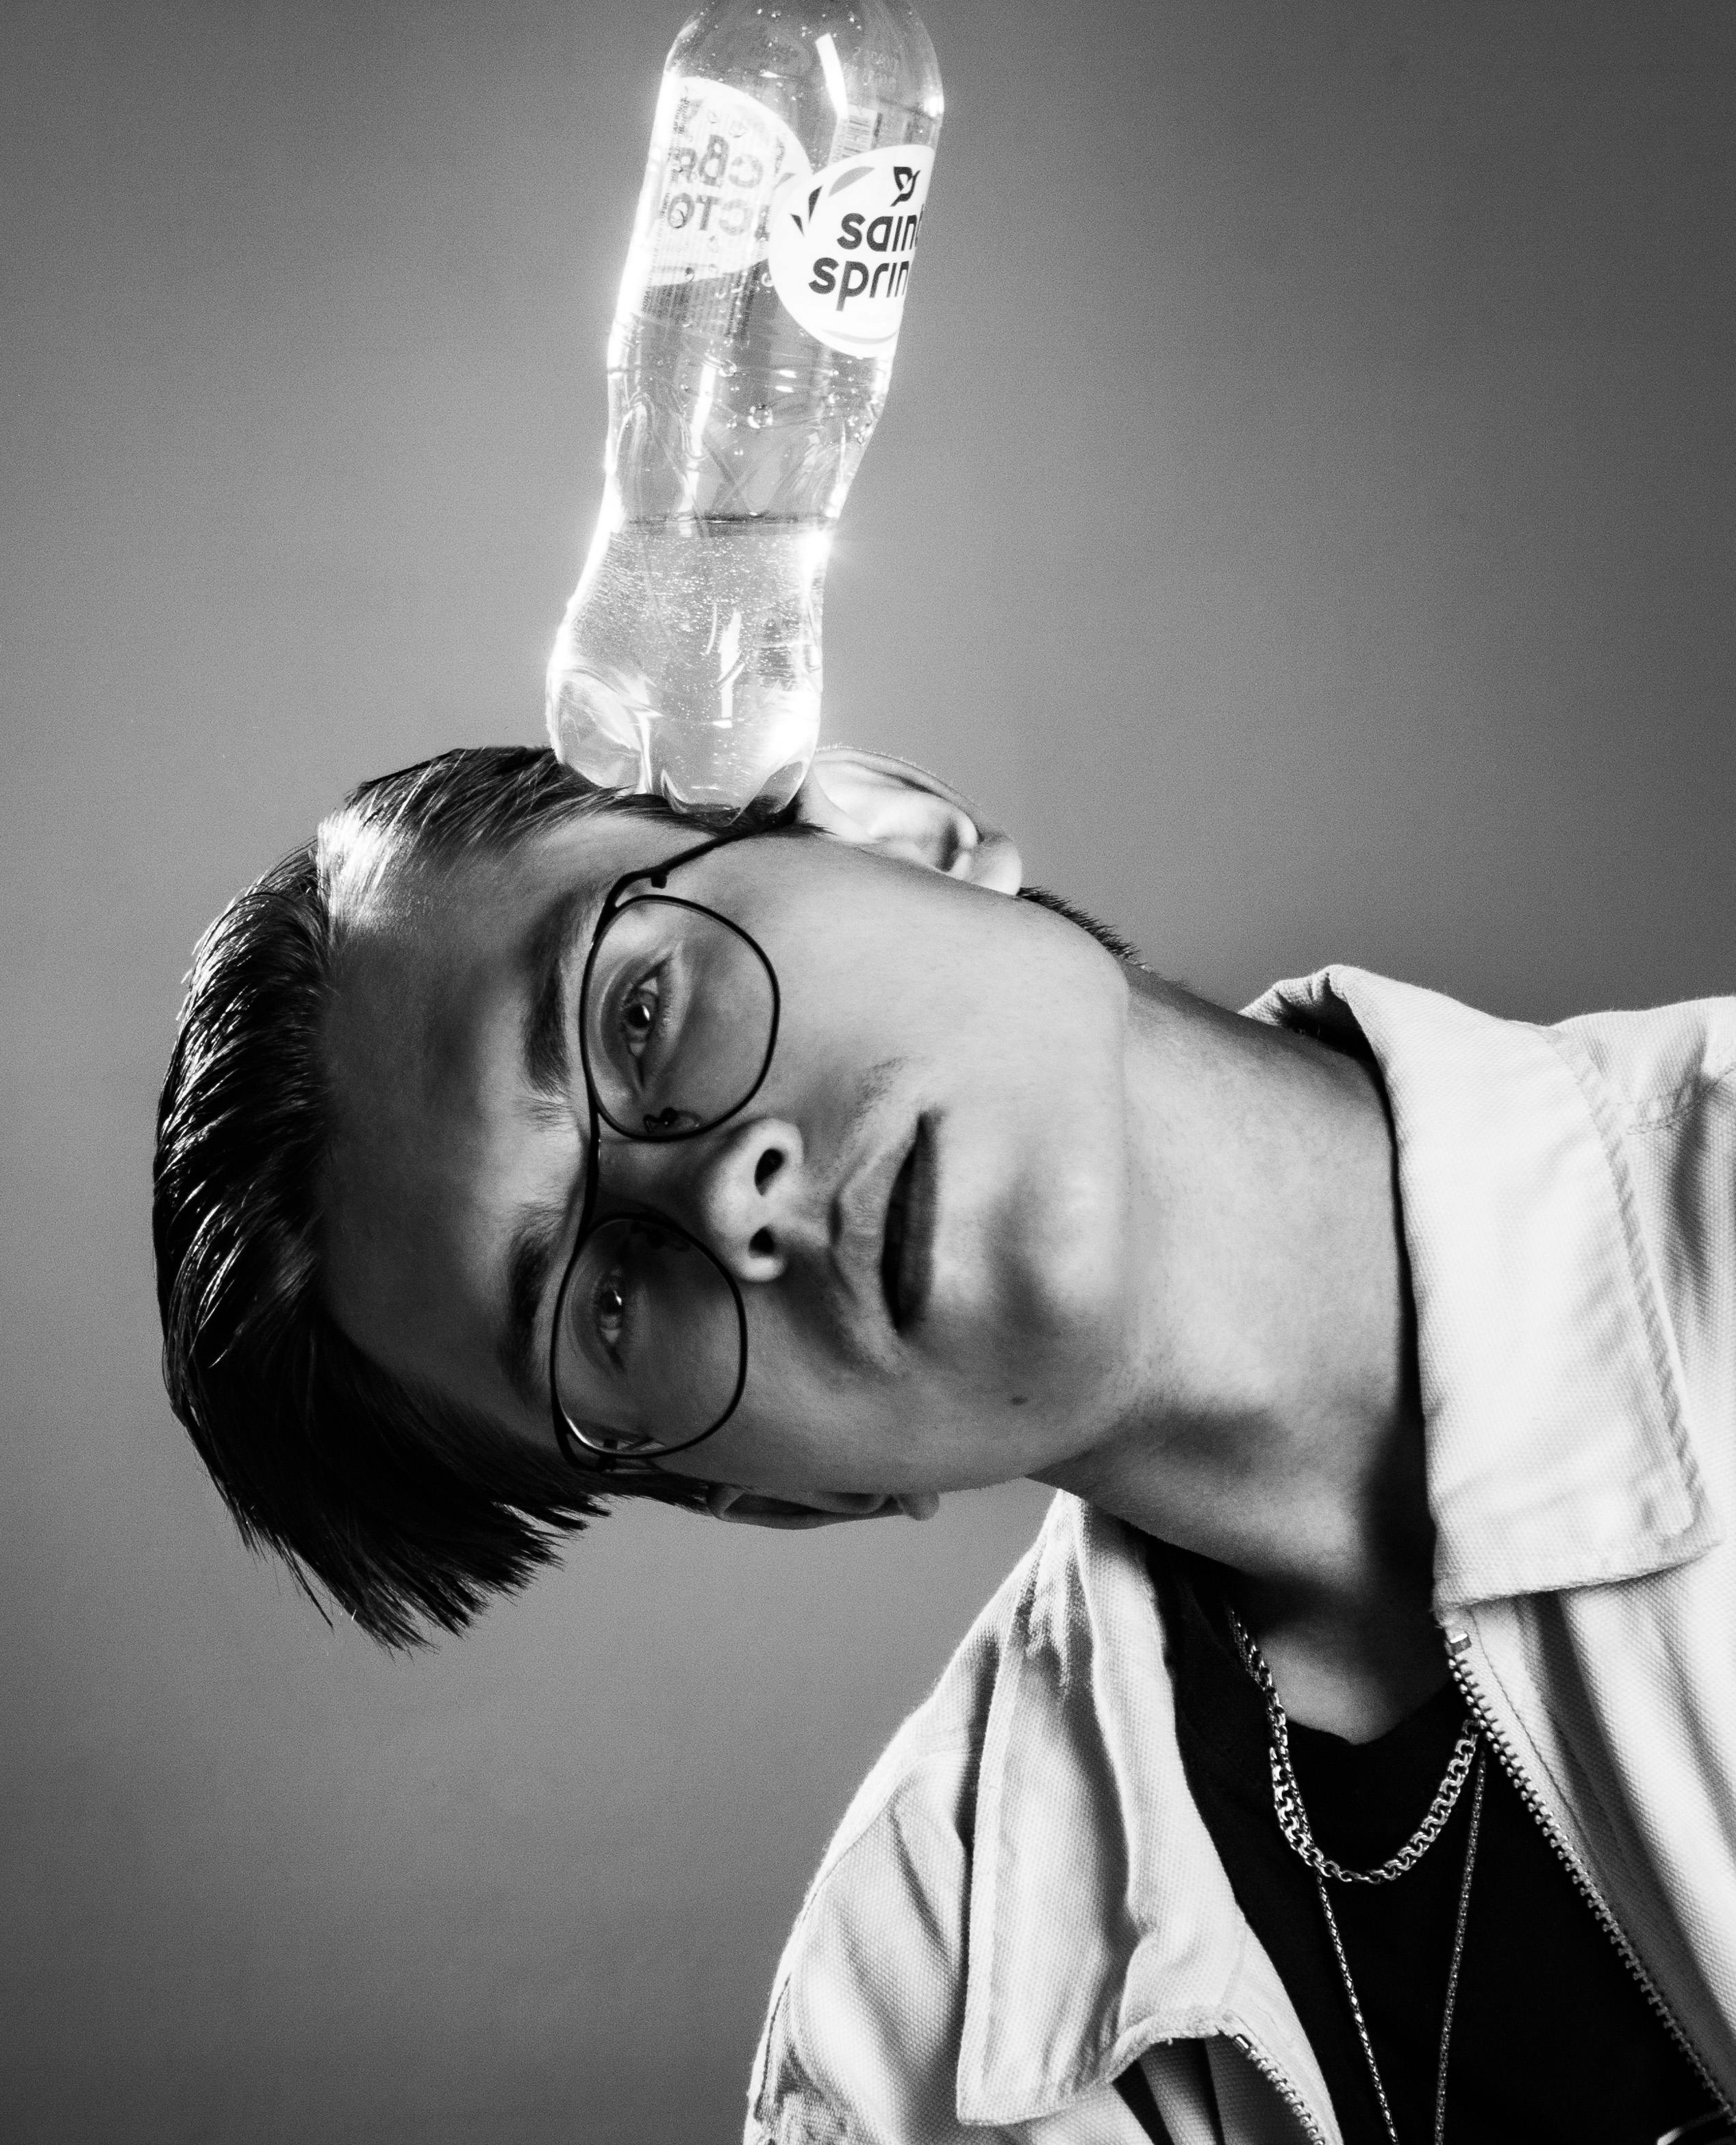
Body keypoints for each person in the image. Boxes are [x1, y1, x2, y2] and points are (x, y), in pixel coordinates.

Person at [151, 740, 1736, 2145]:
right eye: (607, 1306)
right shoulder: (897, 2053)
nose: (724, 1191)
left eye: (640, 1013)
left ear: (888, 825)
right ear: (770, 1496)